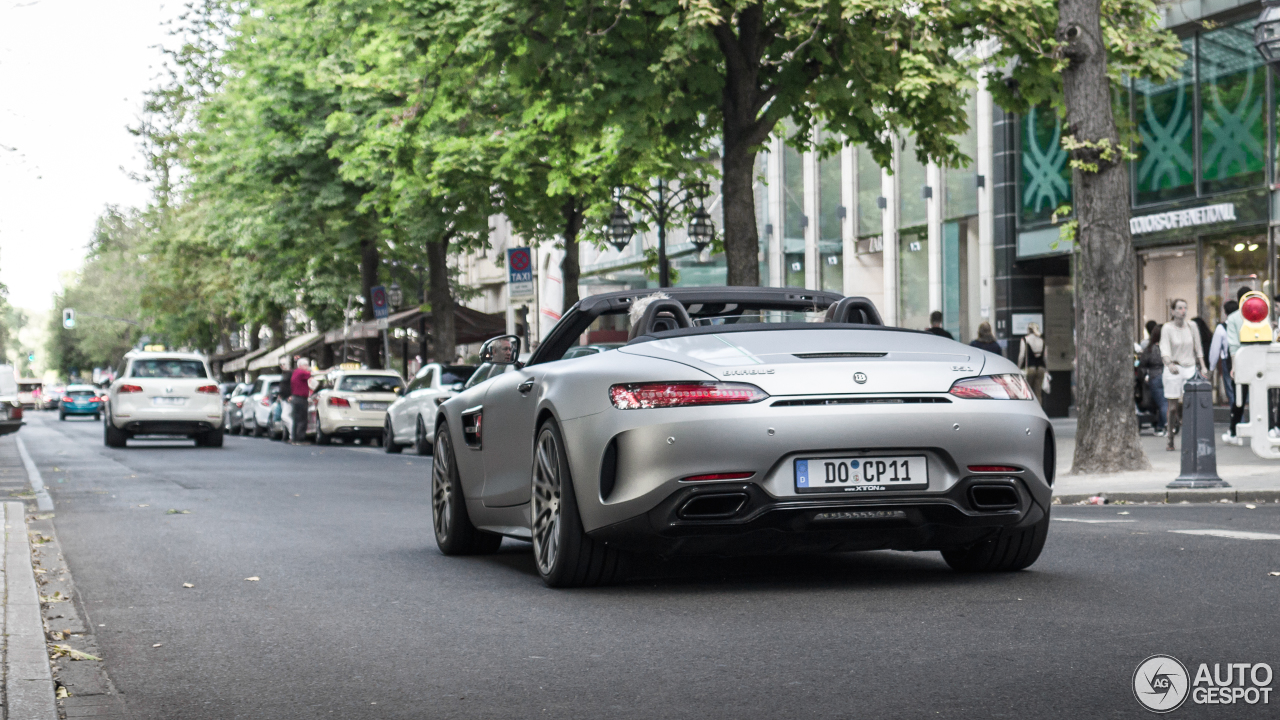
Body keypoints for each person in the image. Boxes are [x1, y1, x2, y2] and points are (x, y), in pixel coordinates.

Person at [1160, 299, 1208, 452]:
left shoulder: (1192, 326)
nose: (1183, 311)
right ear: (1173, 311)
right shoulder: (1167, 328)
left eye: (1185, 308)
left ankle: (1191, 436)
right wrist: (1169, 364)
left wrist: (1203, 366)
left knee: (1190, 404)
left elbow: (1198, 347)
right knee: (1173, 407)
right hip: (1174, 367)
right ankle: (1170, 437)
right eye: (1179, 308)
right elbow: (1164, 349)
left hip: (1190, 367)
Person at [1209, 300, 1238, 443]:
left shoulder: (1222, 328)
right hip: (1244, 360)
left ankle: (1237, 424)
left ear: (1225, 312)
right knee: (1243, 393)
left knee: (1232, 394)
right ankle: (1241, 424)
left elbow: (1215, 350)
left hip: (1228, 363)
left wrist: (1211, 368)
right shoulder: (1243, 324)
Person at [1227, 287, 1251, 443]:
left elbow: (1233, 345)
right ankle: (1270, 429)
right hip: (1259, 360)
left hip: (1242, 361)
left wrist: (1234, 367)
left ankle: (1234, 432)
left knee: (1239, 398)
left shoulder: (1234, 317)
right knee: (1262, 395)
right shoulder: (1261, 314)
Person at [1141, 322, 1167, 436]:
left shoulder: (1150, 349)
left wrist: (1144, 377)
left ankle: (1165, 425)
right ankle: (1162, 425)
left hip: (1154, 376)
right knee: (1166, 402)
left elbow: (1143, 364)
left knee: (1162, 403)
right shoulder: (1167, 348)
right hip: (1167, 375)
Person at [1018, 322, 1047, 404]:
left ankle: (1029, 410)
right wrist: (1046, 369)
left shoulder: (1025, 339)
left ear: (1029, 330)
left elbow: (1021, 355)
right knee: (1038, 392)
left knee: (1027, 392)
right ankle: (1039, 411)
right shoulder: (1042, 340)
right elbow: (1045, 357)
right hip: (1041, 368)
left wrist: (1018, 367)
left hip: (1030, 368)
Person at [289, 358, 311, 445]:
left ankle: (294, 438)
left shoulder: (295, 373)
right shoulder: (301, 373)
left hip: (295, 398)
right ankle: (300, 439)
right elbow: (310, 374)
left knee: (296, 419)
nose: (307, 367)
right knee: (302, 419)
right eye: (306, 365)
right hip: (301, 398)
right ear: (301, 365)